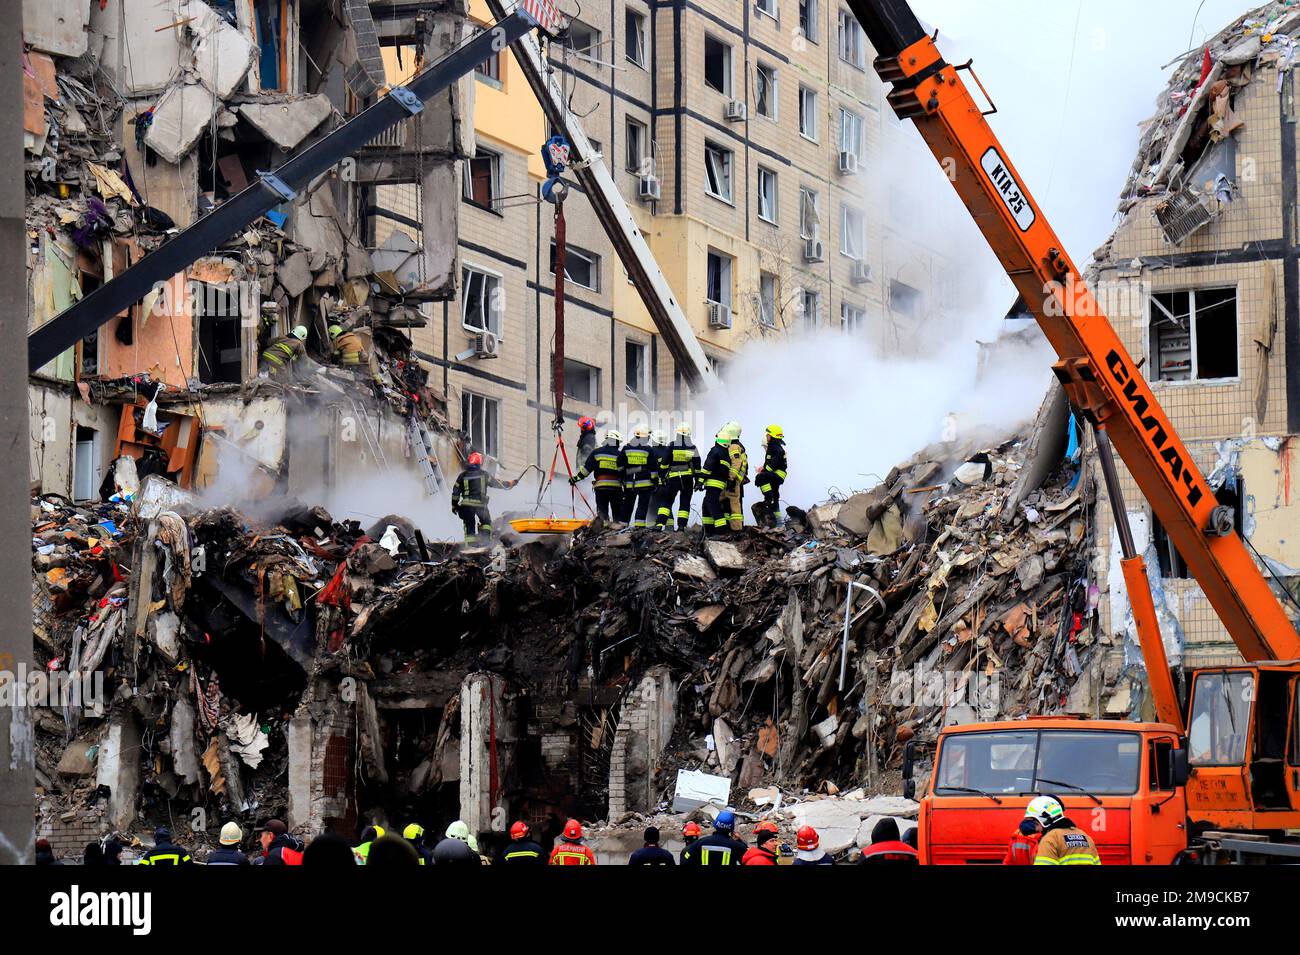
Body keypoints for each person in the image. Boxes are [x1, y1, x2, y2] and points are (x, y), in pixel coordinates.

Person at [451, 452, 516, 546]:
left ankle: (470, 547)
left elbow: (455, 493)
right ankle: (485, 543)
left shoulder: (462, 476)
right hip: (481, 505)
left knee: (469, 525)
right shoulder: (484, 475)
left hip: (466, 506)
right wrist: (510, 483)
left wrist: (454, 506)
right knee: (486, 523)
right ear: (480, 463)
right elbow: (497, 483)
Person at [1025, 795, 1101, 865]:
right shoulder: (1086, 837)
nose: (1037, 829)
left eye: (1036, 824)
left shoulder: (1050, 840)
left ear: (1044, 820)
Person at [656, 423, 701, 530]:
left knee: (666, 501)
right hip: (687, 480)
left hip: (673, 479)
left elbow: (664, 464)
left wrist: (662, 477)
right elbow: (697, 467)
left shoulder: (671, 445)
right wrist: (698, 482)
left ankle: (659, 525)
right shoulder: (692, 447)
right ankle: (681, 527)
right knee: (685, 503)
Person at [571, 430, 623, 522]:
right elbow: (624, 473)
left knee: (602, 512)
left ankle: (603, 531)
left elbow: (586, 470)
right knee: (617, 513)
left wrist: (576, 479)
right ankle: (617, 531)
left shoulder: (597, 452)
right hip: (616, 489)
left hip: (601, 488)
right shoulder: (620, 455)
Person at [618, 426, 656, 527]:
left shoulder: (626, 448)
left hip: (630, 484)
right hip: (645, 484)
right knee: (642, 506)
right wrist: (655, 482)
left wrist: (621, 478)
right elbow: (653, 467)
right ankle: (639, 526)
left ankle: (622, 525)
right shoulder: (648, 449)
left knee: (627, 505)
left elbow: (620, 465)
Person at [680, 809, 747, 866]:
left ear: (715, 824)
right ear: (731, 828)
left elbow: (686, 859)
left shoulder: (700, 843)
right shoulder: (736, 846)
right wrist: (739, 840)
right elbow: (749, 857)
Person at [753, 425, 787, 528]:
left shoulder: (775, 448)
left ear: (771, 436)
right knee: (775, 498)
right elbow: (770, 463)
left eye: (768, 434)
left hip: (777, 474)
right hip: (776, 474)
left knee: (760, 478)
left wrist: (763, 470)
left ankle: (768, 498)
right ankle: (779, 524)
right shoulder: (775, 447)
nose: (766, 436)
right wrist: (763, 468)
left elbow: (773, 464)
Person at [700, 429, 732, 537]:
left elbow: (707, 467)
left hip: (713, 483)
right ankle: (709, 530)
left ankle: (722, 531)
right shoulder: (726, 454)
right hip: (720, 484)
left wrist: (699, 481)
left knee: (713, 505)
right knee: (706, 505)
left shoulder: (715, 450)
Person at [722, 422, 749, 532]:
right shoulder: (739, 445)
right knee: (735, 506)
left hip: (734, 481)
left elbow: (736, 463)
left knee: (732, 506)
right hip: (738, 481)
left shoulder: (733, 446)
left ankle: (735, 529)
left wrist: (731, 478)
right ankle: (736, 528)